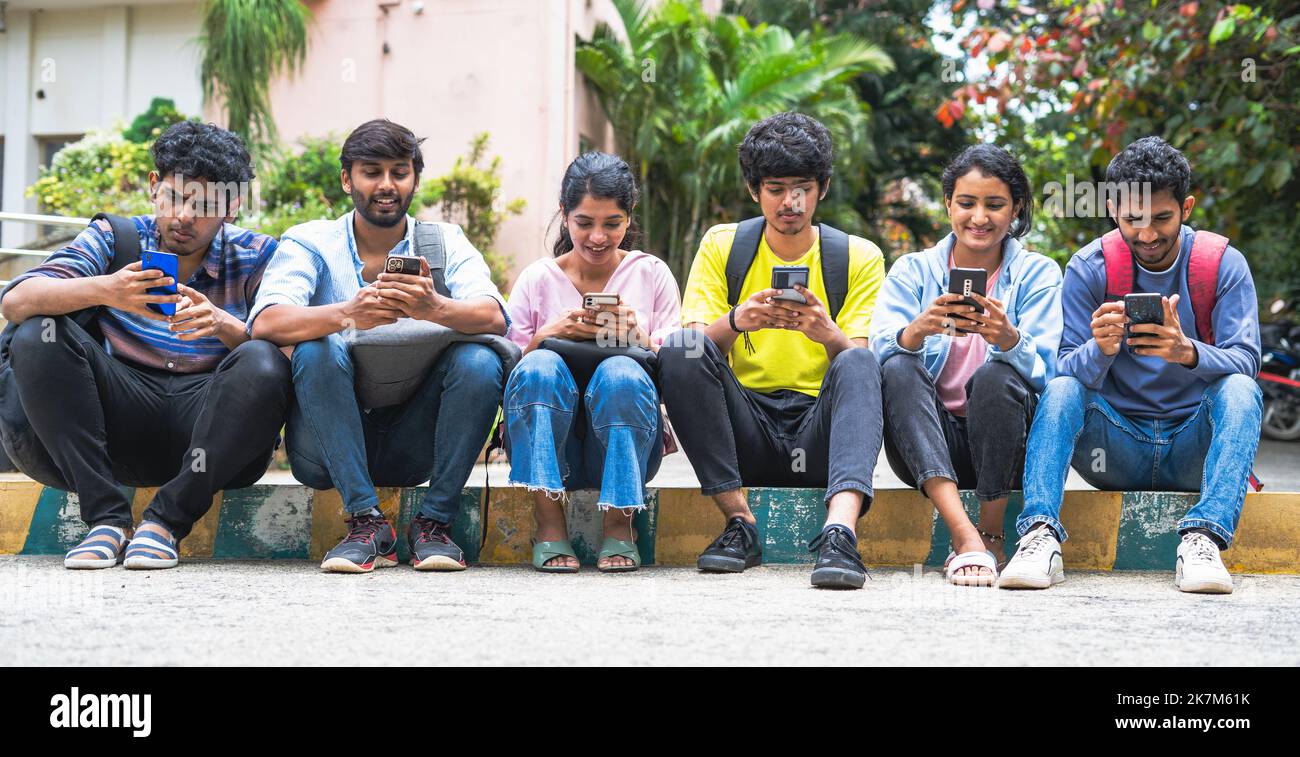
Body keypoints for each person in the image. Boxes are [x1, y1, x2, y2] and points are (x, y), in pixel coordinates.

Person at [0, 122, 290, 570]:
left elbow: (289, 358)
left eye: (206, 204)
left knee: (262, 355)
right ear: (154, 188)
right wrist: (107, 290)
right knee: (38, 330)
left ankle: (165, 525)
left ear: (232, 207)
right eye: (175, 196)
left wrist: (225, 326)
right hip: (117, 418)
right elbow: (16, 300)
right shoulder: (115, 238)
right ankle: (106, 521)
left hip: (207, 427)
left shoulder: (257, 254)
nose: (185, 217)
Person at [1000, 136, 1262, 594]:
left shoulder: (1221, 264)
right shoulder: (1090, 266)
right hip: (1114, 450)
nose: (1146, 234)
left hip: (1192, 450)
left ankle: (1203, 539)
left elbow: (1247, 360)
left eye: (1161, 217)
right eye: (1131, 219)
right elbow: (1061, 369)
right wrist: (1098, 350)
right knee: (1062, 388)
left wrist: (1189, 352)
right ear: (1113, 209)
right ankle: (1039, 534)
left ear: (1187, 207)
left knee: (1240, 388)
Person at [248, 119, 507, 574]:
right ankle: (366, 523)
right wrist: (349, 314)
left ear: (415, 179)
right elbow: (266, 322)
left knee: (480, 359)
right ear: (348, 179)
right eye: (372, 171)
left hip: (415, 442)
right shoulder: (311, 241)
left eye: (399, 171)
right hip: (325, 447)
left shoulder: (445, 242)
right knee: (316, 348)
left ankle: (434, 525)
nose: (387, 185)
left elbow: (494, 317)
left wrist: (434, 308)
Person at [658, 112, 886, 589]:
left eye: (801, 186)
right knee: (680, 348)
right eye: (775, 187)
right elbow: (695, 346)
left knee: (859, 359)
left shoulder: (858, 256)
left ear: (822, 188)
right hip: (745, 435)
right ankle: (740, 523)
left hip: (820, 436)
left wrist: (826, 332)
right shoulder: (723, 245)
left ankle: (840, 532)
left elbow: (858, 362)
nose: (790, 201)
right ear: (753, 189)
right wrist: (738, 318)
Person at [870, 144, 1062, 586]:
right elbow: (875, 357)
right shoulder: (912, 270)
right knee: (898, 367)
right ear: (948, 205)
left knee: (995, 375)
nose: (980, 217)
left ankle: (992, 533)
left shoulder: (1039, 273)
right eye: (967, 203)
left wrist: (1008, 339)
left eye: (995, 205)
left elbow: (1052, 374)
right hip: (928, 447)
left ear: (1015, 209)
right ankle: (966, 535)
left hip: (1006, 442)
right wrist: (915, 332)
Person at [504, 152, 681, 573]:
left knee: (621, 372)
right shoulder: (537, 279)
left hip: (626, 442)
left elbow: (678, 364)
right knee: (538, 369)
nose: (598, 237)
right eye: (584, 223)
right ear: (564, 215)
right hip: (550, 444)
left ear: (629, 217)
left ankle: (621, 526)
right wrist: (548, 335)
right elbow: (508, 369)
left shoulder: (651, 273)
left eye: (612, 223)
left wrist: (636, 337)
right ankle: (548, 526)